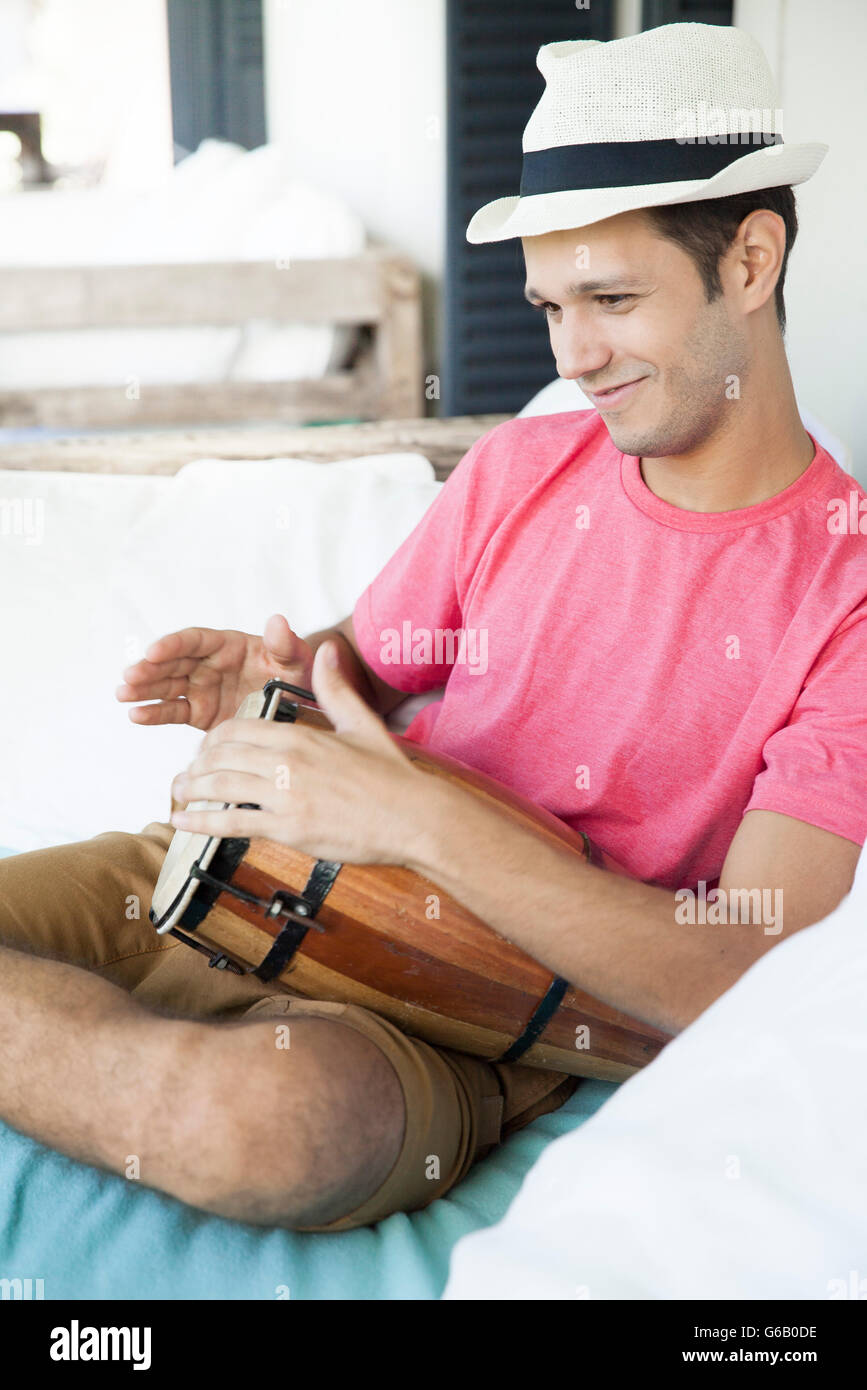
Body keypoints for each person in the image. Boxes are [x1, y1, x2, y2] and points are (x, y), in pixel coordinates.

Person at [0, 22, 864, 1234]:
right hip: (238, 870)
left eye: (613, 299)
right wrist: (286, 674)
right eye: (552, 305)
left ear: (753, 260)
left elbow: (748, 966)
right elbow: (366, 660)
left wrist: (415, 817)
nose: (575, 355)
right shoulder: (521, 467)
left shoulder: (848, 595)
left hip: (467, 1009)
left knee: (265, 1130)